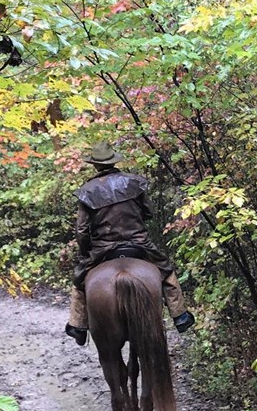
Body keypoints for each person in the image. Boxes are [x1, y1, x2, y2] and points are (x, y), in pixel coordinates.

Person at [65, 142, 195, 345]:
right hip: (138, 243)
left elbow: (81, 230)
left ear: (95, 165)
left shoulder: (87, 191)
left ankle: (78, 325)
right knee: (167, 272)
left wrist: (85, 252)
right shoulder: (134, 183)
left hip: (103, 248)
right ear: (113, 161)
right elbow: (148, 212)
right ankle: (180, 316)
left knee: (79, 281)